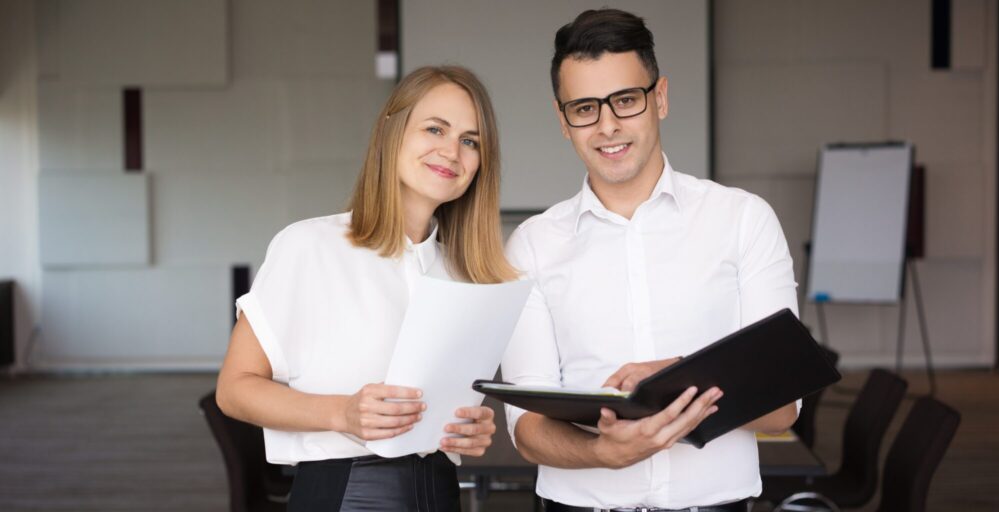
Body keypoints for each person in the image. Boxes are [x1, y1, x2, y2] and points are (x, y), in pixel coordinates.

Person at [501, 9, 800, 512]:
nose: (607, 126)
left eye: (625, 100)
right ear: (563, 120)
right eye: (584, 108)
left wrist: (678, 379)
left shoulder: (744, 220)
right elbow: (527, 431)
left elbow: (783, 409)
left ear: (658, 97)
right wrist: (603, 452)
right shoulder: (531, 245)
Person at [216, 65, 517, 512]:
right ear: (391, 131)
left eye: (470, 141)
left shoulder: (466, 272)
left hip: (440, 492)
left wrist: (467, 430)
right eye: (435, 128)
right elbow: (234, 389)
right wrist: (342, 413)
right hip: (343, 495)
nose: (452, 151)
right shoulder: (309, 245)